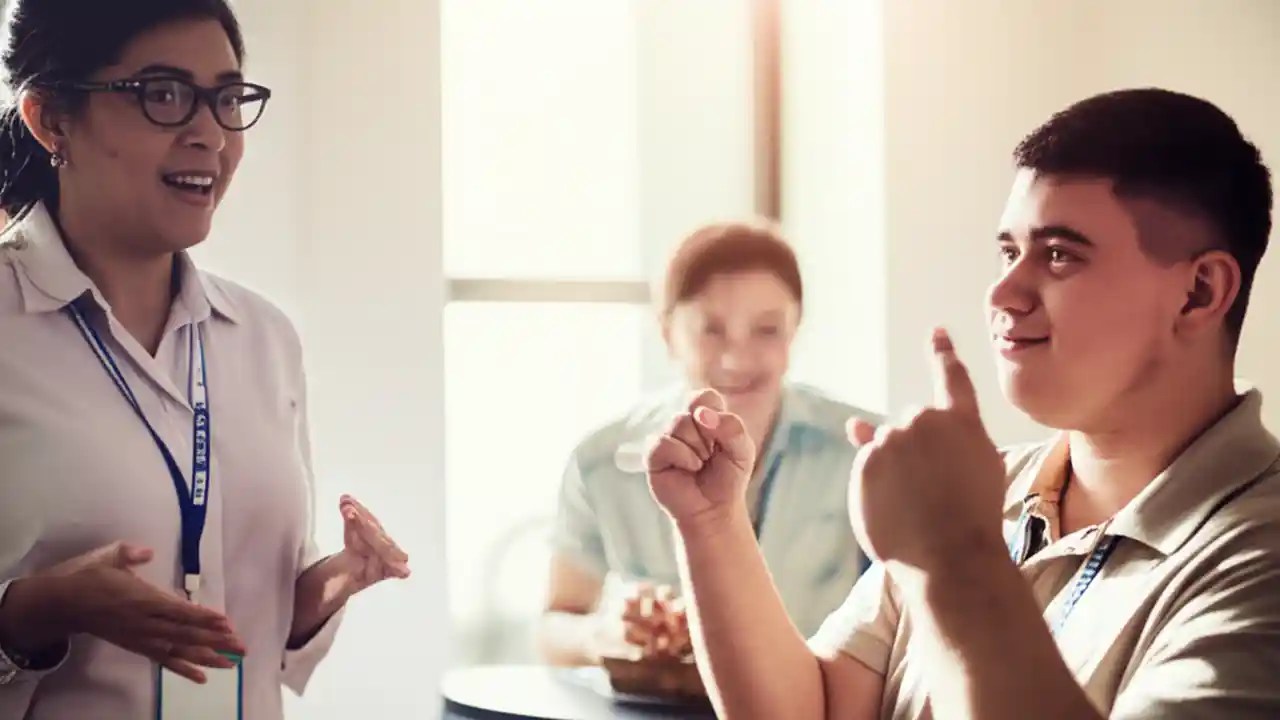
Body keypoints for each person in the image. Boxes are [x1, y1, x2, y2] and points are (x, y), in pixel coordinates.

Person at [647, 88, 1279, 719]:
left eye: (1059, 255)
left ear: (1199, 292)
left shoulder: (1260, 555)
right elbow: (807, 712)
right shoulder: (988, 488)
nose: (1003, 292)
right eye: (1008, 251)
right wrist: (712, 525)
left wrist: (954, 556)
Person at [0, 1, 410, 718]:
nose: (209, 134)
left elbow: (261, 627)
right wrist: (34, 613)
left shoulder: (263, 335)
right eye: (163, 95)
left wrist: (333, 583)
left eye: (226, 98)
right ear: (50, 119)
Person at [538, 221, 881, 666]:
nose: (737, 358)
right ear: (667, 334)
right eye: (711, 330)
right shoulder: (599, 461)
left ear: (796, 329)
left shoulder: (861, 449)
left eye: (767, 330)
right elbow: (554, 626)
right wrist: (602, 634)